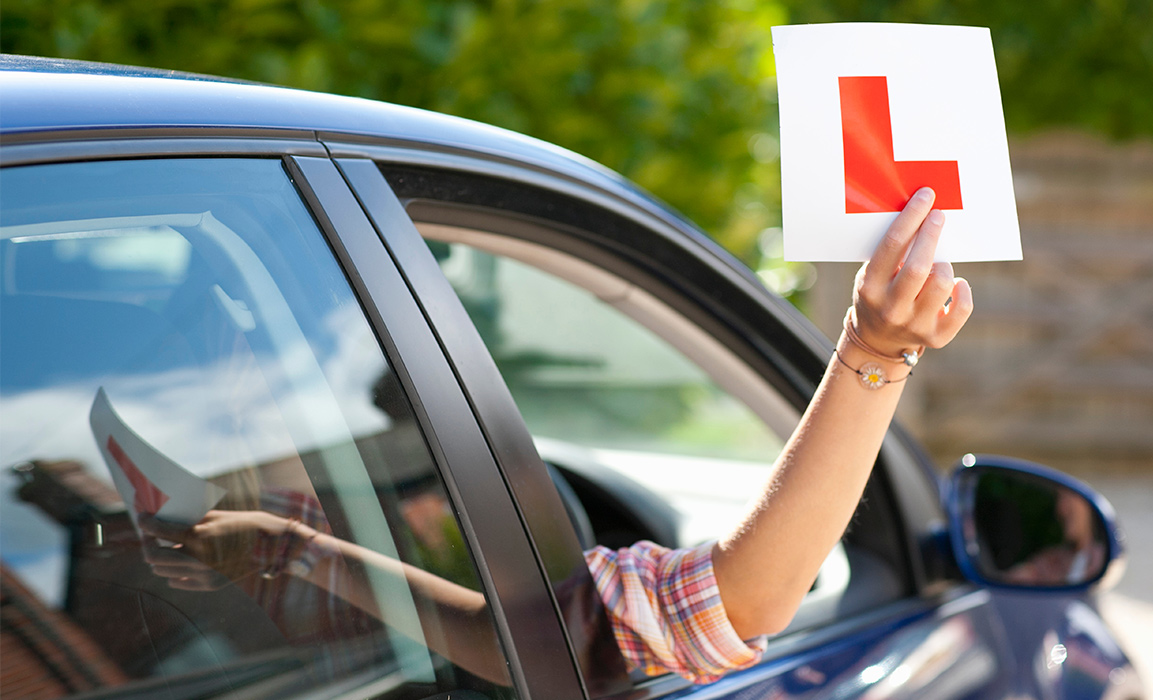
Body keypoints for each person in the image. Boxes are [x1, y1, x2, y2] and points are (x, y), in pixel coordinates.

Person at [140, 187, 972, 685]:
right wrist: (873, 351)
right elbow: (725, 608)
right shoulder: (280, 544)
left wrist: (289, 546)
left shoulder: (180, 540)